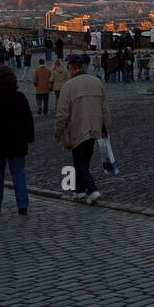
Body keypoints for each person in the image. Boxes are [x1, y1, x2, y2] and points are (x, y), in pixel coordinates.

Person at [54, 55, 110, 204]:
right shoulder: (96, 82)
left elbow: (62, 113)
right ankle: (78, 191)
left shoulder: (68, 86)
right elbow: (105, 108)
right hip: (95, 128)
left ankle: (92, 190)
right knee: (84, 161)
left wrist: (58, 132)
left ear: (71, 68)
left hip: (77, 128)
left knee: (79, 163)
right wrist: (105, 127)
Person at [0, 64, 34, 215]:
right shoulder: (20, 97)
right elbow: (28, 120)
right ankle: (22, 205)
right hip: (17, 143)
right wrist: (29, 137)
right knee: (18, 173)